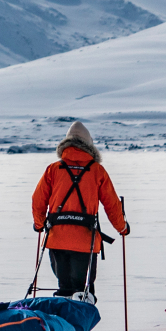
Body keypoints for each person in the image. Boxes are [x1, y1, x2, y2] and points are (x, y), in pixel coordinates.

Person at [29, 122, 128, 299]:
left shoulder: (53, 169)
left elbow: (38, 200)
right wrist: (122, 228)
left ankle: (63, 320)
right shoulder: (97, 171)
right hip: (85, 241)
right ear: (89, 145)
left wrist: (39, 224)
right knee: (84, 292)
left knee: (65, 287)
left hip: (56, 239)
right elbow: (111, 204)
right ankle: (81, 320)